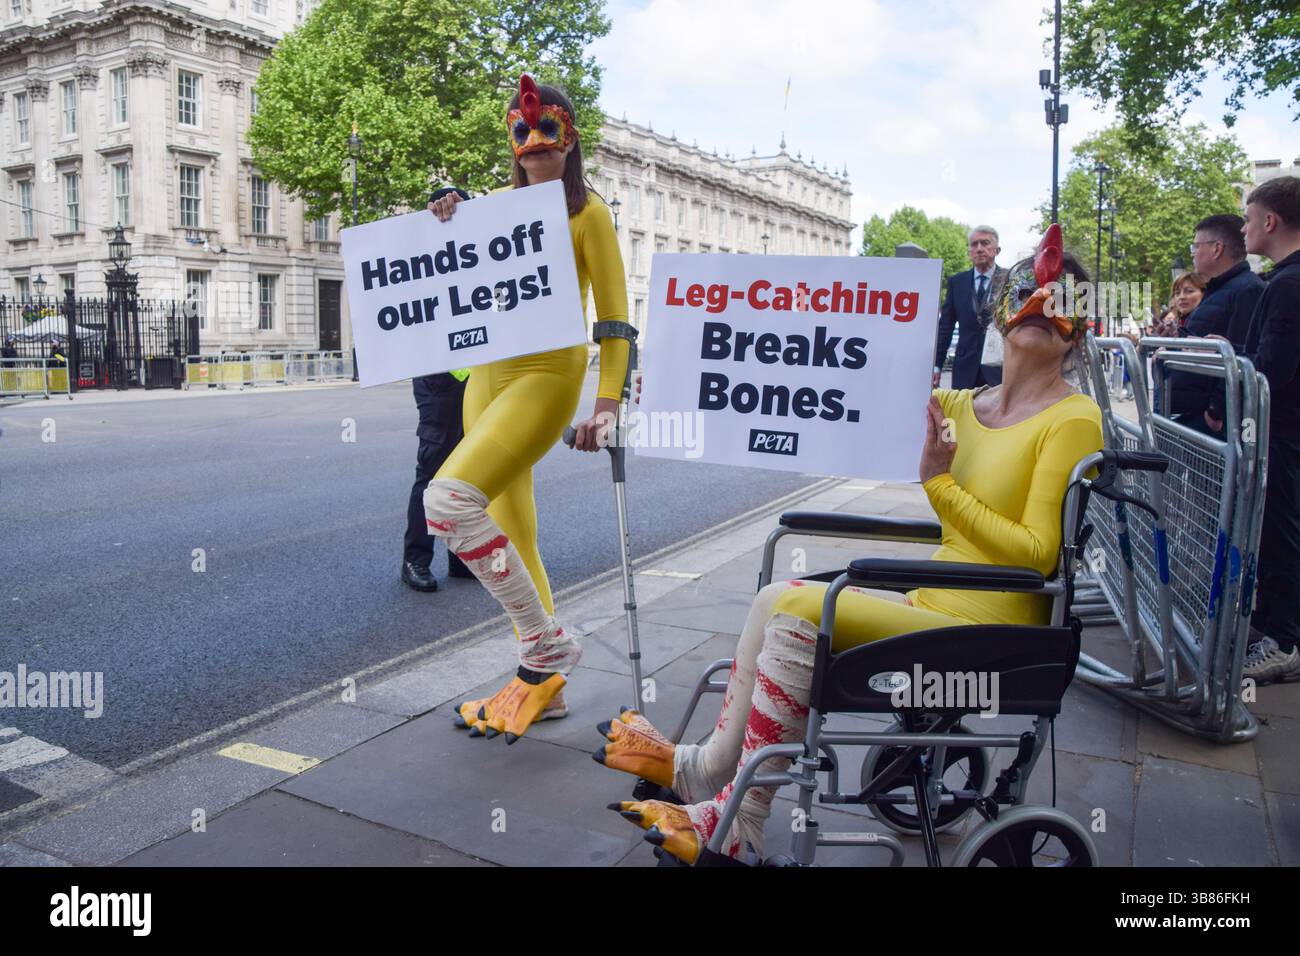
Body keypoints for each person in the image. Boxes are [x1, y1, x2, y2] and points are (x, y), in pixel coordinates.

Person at [596, 226, 1104, 864]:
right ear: (1000, 307)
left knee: (794, 606)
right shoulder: (959, 405)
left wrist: (941, 485)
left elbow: (1035, 553)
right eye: (1028, 290)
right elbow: (835, 393)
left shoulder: (1073, 416)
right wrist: (688, 386)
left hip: (992, 633)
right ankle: (715, 783)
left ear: (1080, 327)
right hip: (936, 607)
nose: (1040, 308)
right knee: (787, 610)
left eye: (1061, 302)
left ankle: (728, 797)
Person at [423, 75, 632, 741]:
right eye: (522, 132)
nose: (535, 143)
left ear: (572, 140)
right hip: (485, 376)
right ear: (511, 142)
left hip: (547, 374)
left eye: (550, 131)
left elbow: (615, 319)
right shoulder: (489, 211)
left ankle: (548, 647)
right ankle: (546, 685)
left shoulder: (589, 214)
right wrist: (445, 212)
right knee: (516, 532)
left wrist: (606, 402)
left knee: (448, 501)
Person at [1231, 176, 1300, 684]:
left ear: (1269, 222)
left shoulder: (1288, 284)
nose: (1244, 228)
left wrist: (1231, 366)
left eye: (1249, 219)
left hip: (1284, 435)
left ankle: (1284, 641)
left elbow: (1271, 370)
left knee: (1280, 529)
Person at [1167, 215, 1263, 435]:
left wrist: (1216, 411)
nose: (1192, 253)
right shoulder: (1220, 289)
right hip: (1191, 412)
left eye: (1196, 245)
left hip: (1209, 421)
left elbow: (1244, 354)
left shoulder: (1247, 290)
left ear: (1217, 248)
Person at [402, 370, 474, 591]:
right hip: (439, 379)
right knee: (431, 474)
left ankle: (460, 559)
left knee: (467, 473)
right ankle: (415, 561)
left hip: (472, 380)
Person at [934, 226, 1008, 390]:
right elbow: (946, 327)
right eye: (974, 244)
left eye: (985, 243)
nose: (979, 249)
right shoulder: (957, 282)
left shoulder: (1010, 280)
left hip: (999, 370)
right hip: (964, 370)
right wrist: (937, 365)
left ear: (997, 250)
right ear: (969, 251)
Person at [1152, 271, 1205, 337]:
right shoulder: (1180, 322)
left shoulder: (1204, 319)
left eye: (1189, 291)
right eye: (1177, 293)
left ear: (1204, 293)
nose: (1181, 297)